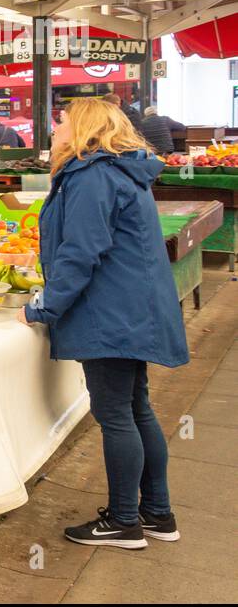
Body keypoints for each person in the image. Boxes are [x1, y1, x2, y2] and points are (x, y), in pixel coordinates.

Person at [22, 98, 187, 549]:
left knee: (115, 415)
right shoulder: (119, 170)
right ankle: (157, 513)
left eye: (61, 122)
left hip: (110, 312)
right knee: (136, 409)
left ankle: (123, 520)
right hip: (133, 308)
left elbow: (81, 252)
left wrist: (43, 307)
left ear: (83, 127)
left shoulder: (92, 175)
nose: (55, 130)